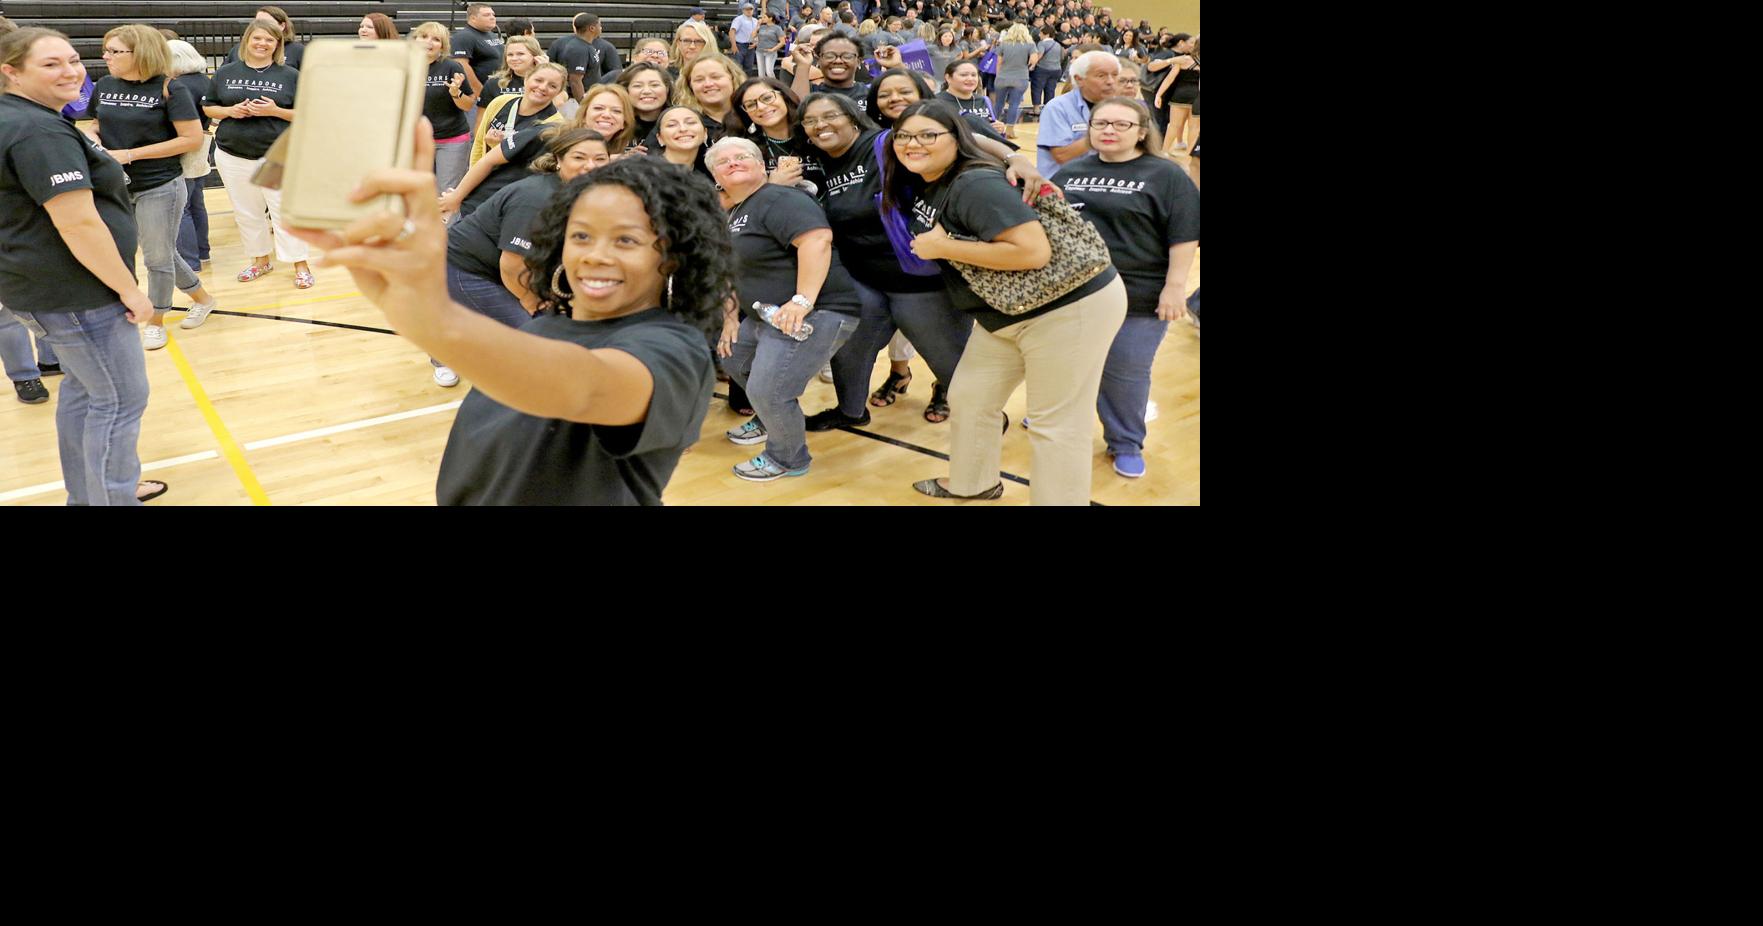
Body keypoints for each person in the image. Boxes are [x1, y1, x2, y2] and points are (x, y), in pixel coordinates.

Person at [288, 127, 732, 506]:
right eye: (581, 235)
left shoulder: (676, 350)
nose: (595, 256)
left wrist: (433, 313)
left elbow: (581, 387)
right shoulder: (546, 323)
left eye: (626, 241)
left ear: (675, 257)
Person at [883, 101, 1125, 505]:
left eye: (928, 135)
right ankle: (972, 484)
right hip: (1005, 313)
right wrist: (1012, 153)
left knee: (1056, 425)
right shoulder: (934, 175)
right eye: (904, 136)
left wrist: (944, 246)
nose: (913, 144)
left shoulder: (974, 184)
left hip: (1067, 308)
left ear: (953, 140)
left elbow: (1032, 252)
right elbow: (974, 136)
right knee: (970, 397)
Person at [1, 28, 164, 503]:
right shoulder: (37, 130)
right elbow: (78, 224)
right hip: (79, 295)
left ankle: (88, 495)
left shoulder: (31, 118)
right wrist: (131, 291)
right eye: (51, 64)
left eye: (73, 59)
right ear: (11, 72)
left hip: (48, 289)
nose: (71, 70)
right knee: (118, 400)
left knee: (87, 393)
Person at [1058, 97, 1196, 478]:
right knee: (1068, 365)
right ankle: (1059, 422)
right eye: (1101, 124)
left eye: (1121, 125)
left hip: (1138, 294)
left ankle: (1126, 442)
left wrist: (1175, 286)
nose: (1109, 131)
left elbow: (1184, 234)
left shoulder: (1165, 175)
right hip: (1075, 293)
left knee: (1125, 371)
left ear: (1141, 131)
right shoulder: (1071, 171)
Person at [711, 136, 862, 482]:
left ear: (761, 165)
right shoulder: (736, 211)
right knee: (733, 355)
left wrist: (802, 301)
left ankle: (787, 457)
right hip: (766, 315)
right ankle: (769, 418)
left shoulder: (779, 198)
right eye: (724, 161)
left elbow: (815, 241)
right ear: (717, 177)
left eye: (742, 156)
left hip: (818, 311)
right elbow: (730, 269)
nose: (733, 162)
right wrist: (731, 317)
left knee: (770, 390)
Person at [429, 129, 611, 389]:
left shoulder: (583, 194)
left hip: (498, 270)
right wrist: (529, 300)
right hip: (462, 269)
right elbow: (512, 264)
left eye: (600, 159)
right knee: (532, 335)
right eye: (579, 157)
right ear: (559, 159)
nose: (590, 166)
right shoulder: (537, 198)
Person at [92, 24, 220, 348]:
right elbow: (95, 123)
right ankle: (203, 299)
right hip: (117, 186)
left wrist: (130, 154)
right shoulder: (105, 84)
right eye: (106, 49)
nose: (105, 56)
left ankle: (157, 319)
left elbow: (191, 139)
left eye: (114, 51)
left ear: (140, 54)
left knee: (156, 258)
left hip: (159, 184)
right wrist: (94, 140)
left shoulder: (170, 89)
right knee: (161, 252)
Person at [205, 21, 311, 292]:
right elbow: (209, 107)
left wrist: (275, 111)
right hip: (232, 154)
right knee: (247, 212)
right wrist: (230, 111)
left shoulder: (290, 75)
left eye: (270, 40)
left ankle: (300, 264)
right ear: (247, 40)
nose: (263, 44)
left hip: (276, 155)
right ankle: (260, 261)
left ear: (278, 45)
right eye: (258, 38)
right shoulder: (226, 72)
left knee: (282, 210)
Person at [441, 62, 565, 225]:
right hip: (481, 190)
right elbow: (479, 144)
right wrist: (469, 186)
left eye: (552, 85)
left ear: (559, 92)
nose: (542, 87)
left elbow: (530, 168)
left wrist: (498, 148)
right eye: (538, 80)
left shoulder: (555, 125)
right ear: (527, 78)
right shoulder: (501, 102)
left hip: (513, 199)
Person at [412, 22, 477, 219]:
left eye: (436, 39)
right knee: (419, 191)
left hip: (451, 140)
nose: (428, 42)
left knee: (447, 193)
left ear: (443, 46)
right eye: (423, 36)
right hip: (418, 141)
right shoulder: (406, 66)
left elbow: (468, 104)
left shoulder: (451, 67)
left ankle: (448, 242)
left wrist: (456, 93)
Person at [729, 77, 826, 195]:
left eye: (767, 98)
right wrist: (772, 187)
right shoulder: (746, 150)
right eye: (751, 105)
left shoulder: (813, 132)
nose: (761, 107)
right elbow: (738, 201)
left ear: (784, 96)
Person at [1035, 49, 1117, 178]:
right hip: (1064, 187)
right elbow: (1062, 156)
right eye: (1101, 75)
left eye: (1115, 75)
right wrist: (1101, 134)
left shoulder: (1122, 108)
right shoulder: (1057, 108)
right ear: (1079, 79)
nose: (1110, 81)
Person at [167, 38, 211, 277]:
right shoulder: (204, 80)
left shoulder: (178, 85)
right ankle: (202, 251)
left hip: (186, 147)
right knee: (196, 203)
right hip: (203, 144)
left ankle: (190, 260)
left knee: (182, 207)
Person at [676, 52, 746, 147]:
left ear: (733, 78)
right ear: (690, 86)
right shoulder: (680, 124)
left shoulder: (753, 116)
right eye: (699, 80)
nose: (708, 84)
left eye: (715, 77)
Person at [787, 33, 870, 111]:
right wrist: (803, 65)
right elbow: (796, 111)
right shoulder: (810, 91)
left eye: (847, 56)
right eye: (829, 56)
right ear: (819, 61)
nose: (838, 61)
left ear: (858, 62)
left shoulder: (870, 93)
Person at [1152, 33, 1197, 153]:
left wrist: (1158, 94)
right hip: (1197, 98)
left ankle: (1164, 152)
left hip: (1179, 96)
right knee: (1194, 128)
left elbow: (1169, 79)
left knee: (1173, 126)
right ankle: (1189, 156)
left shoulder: (1183, 60)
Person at [450, 3, 503, 104]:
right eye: (487, 15)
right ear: (473, 18)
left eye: (493, 15)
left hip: (497, 92)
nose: (492, 18)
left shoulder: (492, 35)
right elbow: (462, 65)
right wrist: (480, 92)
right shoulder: (464, 36)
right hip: (479, 97)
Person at [475, 35, 541, 115]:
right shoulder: (494, 83)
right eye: (510, 55)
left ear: (536, 56)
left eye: (520, 54)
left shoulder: (547, 82)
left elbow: (558, 104)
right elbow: (481, 120)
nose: (514, 58)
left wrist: (545, 71)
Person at [990, 22, 1035, 139]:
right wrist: (1027, 66)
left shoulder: (1003, 44)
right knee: (1014, 104)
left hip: (1003, 77)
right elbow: (1033, 61)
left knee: (999, 104)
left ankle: (993, 128)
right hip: (1020, 77)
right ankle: (1010, 130)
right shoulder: (1030, 44)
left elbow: (998, 62)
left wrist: (999, 75)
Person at [224, 7, 304, 70]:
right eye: (258, 21)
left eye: (267, 22)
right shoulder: (238, 48)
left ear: (282, 26)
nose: (262, 26)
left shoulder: (297, 50)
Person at [650, 105, 715, 182]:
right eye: (672, 125)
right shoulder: (646, 172)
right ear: (660, 138)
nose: (683, 129)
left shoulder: (712, 173)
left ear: (705, 133)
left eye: (690, 122)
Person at [618, 63, 672, 151]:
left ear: (667, 88)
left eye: (654, 85)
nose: (647, 91)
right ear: (626, 90)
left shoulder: (680, 123)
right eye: (637, 86)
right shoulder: (615, 123)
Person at [548, 12, 601, 102]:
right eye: (599, 25)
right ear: (592, 28)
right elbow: (575, 80)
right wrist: (582, 104)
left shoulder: (585, 45)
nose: (601, 28)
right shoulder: (578, 49)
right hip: (576, 101)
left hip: (588, 96)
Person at [573, 83, 637, 154]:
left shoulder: (621, 154)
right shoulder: (563, 144)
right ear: (584, 115)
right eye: (598, 108)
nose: (606, 115)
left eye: (616, 111)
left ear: (624, 122)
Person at [1030, 25, 1063, 113]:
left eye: (1041, 33)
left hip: (1043, 69)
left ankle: (1036, 109)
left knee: (1037, 88)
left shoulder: (1042, 43)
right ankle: (1048, 109)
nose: (1039, 35)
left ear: (1047, 34)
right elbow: (1062, 57)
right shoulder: (1058, 44)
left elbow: (1039, 56)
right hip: (1056, 69)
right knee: (1050, 89)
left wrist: (1032, 66)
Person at [731, 4, 761, 74]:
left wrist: (756, 43)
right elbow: (732, 32)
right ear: (743, 10)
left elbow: (758, 33)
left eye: (750, 9)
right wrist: (733, 45)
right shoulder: (738, 19)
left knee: (749, 68)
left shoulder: (755, 20)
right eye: (747, 9)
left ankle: (747, 84)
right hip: (740, 46)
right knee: (737, 67)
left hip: (751, 47)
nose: (749, 11)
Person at [755, 10, 786, 79]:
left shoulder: (777, 28)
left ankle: (775, 86)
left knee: (769, 72)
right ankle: (763, 87)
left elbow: (782, 42)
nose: (762, 19)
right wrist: (758, 25)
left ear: (770, 18)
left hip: (770, 52)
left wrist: (773, 50)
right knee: (761, 74)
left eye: (764, 17)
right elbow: (753, 36)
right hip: (759, 51)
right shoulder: (762, 27)